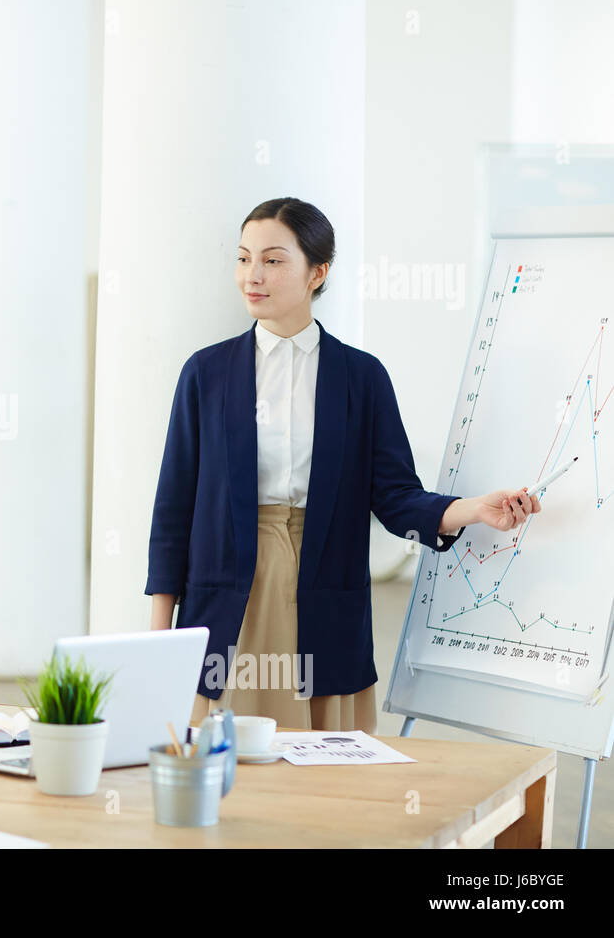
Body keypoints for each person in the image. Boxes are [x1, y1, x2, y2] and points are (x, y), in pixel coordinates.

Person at [146, 197, 541, 732]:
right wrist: (161, 637)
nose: (252, 276)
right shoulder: (206, 374)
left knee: (322, 779)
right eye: (244, 259)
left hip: (323, 589)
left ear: (318, 272)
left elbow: (396, 496)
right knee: (226, 778)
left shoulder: (360, 378)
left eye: (273, 260)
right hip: (227, 602)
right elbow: (174, 508)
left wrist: (472, 509)